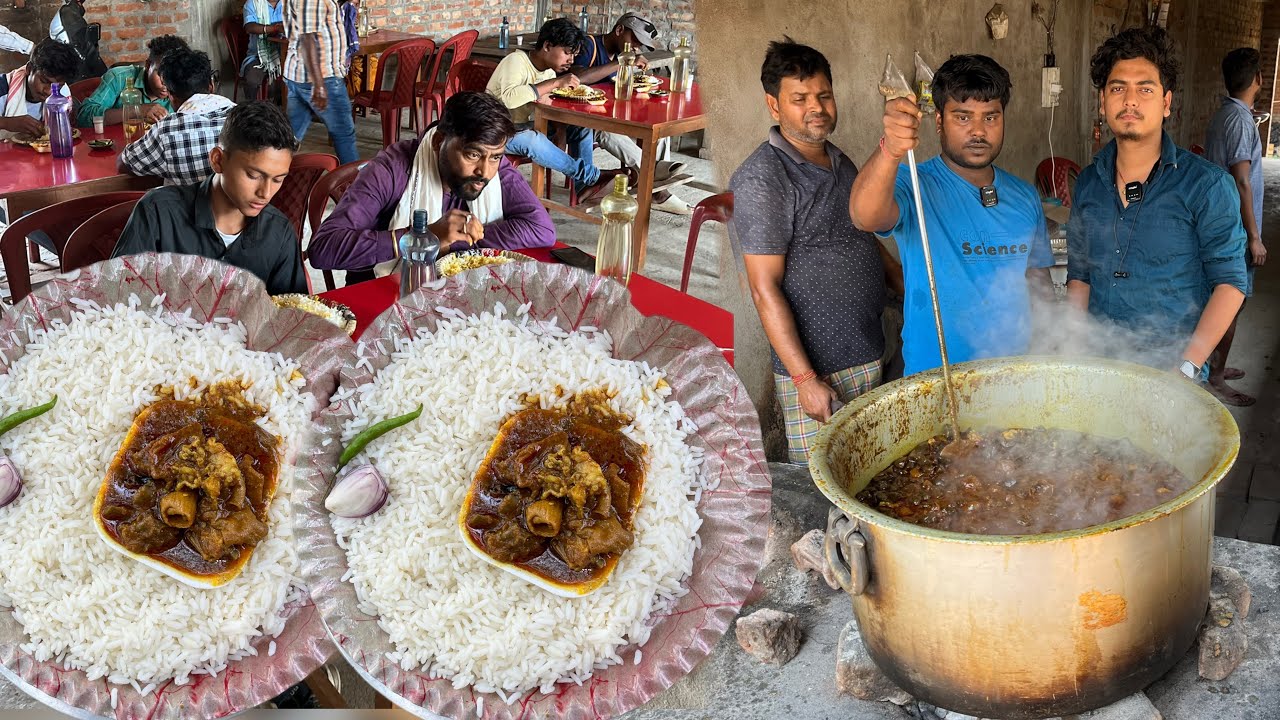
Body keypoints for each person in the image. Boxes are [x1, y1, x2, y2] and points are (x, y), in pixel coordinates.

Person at [731, 39, 896, 465]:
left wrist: (908, 287)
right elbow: (763, 287)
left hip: (868, 349)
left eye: (823, 95)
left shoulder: (841, 163)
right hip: (820, 371)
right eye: (799, 98)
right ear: (774, 106)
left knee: (874, 475)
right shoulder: (764, 177)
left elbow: (862, 239)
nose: (816, 107)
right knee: (824, 491)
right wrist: (805, 380)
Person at [850, 54, 1053, 377]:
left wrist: (1049, 349)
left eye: (990, 117)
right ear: (940, 121)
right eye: (962, 117)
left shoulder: (1024, 195)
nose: (978, 131)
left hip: (1015, 377)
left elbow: (1038, 280)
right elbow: (865, 216)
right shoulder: (914, 183)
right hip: (935, 380)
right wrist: (891, 147)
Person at [1066, 27, 1247, 381]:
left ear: (1166, 103)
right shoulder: (1088, 184)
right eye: (1118, 88)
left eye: (1145, 89)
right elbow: (1080, 278)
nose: (1130, 101)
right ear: (1102, 102)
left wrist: (1187, 366)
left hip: (1172, 375)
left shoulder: (1206, 185)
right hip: (1098, 369)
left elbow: (1230, 283)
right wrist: (1072, 353)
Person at [308, 91, 555, 280]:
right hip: (383, 300)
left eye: (495, 157)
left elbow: (542, 230)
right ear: (439, 142)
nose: (485, 171)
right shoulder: (392, 169)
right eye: (472, 155)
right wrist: (423, 238)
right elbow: (324, 248)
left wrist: (456, 242)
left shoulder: (493, 169)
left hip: (457, 294)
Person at [112, 101, 307, 296]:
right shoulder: (158, 213)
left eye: (278, 179)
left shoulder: (279, 232)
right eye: (253, 176)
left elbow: (293, 313)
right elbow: (117, 298)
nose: (265, 192)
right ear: (218, 160)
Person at [487, 18, 623, 204]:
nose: (571, 60)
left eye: (573, 55)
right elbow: (510, 98)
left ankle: (585, 187)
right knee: (532, 138)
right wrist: (555, 83)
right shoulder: (516, 61)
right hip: (498, 130)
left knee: (580, 127)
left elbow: (547, 107)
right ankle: (591, 176)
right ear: (547, 46)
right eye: (567, 53)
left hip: (526, 126)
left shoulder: (549, 73)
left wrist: (560, 131)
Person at [568, 12, 690, 215]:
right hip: (584, 119)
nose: (636, 48)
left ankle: (657, 185)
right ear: (618, 30)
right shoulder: (589, 45)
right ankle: (658, 188)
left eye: (639, 45)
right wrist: (623, 62)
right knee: (607, 132)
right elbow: (576, 78)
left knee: (657, 126)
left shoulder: (618, 55)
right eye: (634, 40)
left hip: (611, 116)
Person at [1203, 47, 1266, 406]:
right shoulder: (1241, 122)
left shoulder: (1226, 115)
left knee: (1227, 301)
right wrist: (1254, 238)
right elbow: (1242, 180)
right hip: (1234, 229)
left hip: (1224, 221)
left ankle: (1216, 364)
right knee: (1231, 301)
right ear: (1257, 79)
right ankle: (1214, 376)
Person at [118, 48, 235, 186]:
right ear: (211, 85)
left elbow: (123, 165)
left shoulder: (167, 131)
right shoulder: (244, 116)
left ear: (171, 96)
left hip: (187, 207)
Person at [282, 0, 358, 165]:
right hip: (322, 78)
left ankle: (275, 180)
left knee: (290, 139)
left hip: (300, 76)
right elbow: (308, 38)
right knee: (344, 135)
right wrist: (319, 84)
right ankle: (353, 186)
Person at [75, 34, 187, 128]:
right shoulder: (118, 77)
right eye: (160, 73)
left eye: (174, 75)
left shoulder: (184, 85)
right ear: (148, 66)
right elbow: (84, 115)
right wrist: (137, 111)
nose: (166, 83)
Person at [0, 38, 80, 141]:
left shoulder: (63, 98)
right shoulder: (3, 88)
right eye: (44, 81)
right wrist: (6, 123)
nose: (49, 91)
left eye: (58, 86)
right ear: (29, 69)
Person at [241, 0, 285, 102]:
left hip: (286, 53)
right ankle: (251, 111)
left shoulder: (290, 3)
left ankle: (281, 107)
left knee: (296, 75)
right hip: (259, 56)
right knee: (252, 78)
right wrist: (275, 28)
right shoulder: (253, 3)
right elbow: (249, 27)